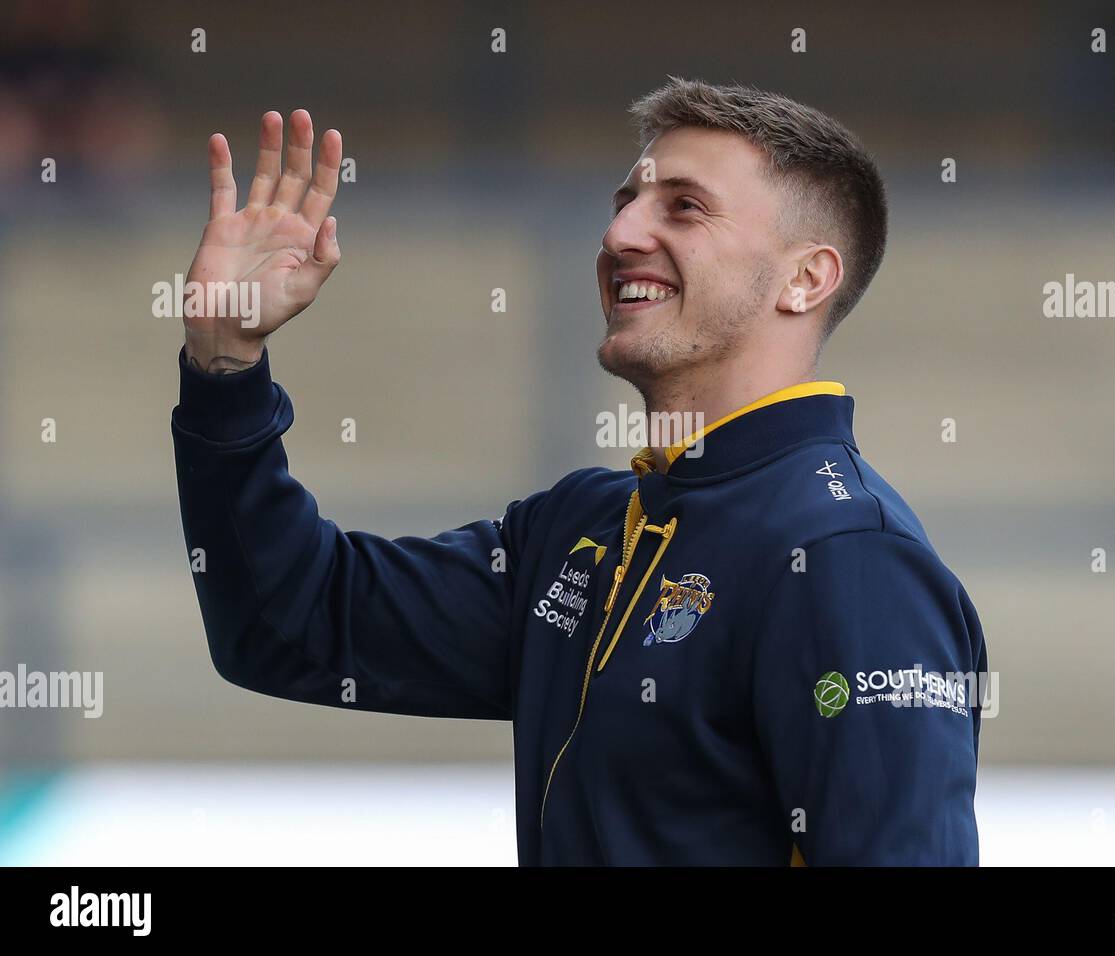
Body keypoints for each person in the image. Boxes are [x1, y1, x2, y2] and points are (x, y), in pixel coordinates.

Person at [173, 77, 988, 866]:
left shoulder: (849, 557)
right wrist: (226, 364)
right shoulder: (583, 530)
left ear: (806, 278)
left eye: (684, 206)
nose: (622, 234)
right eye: (624, 201)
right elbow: (290, 625)